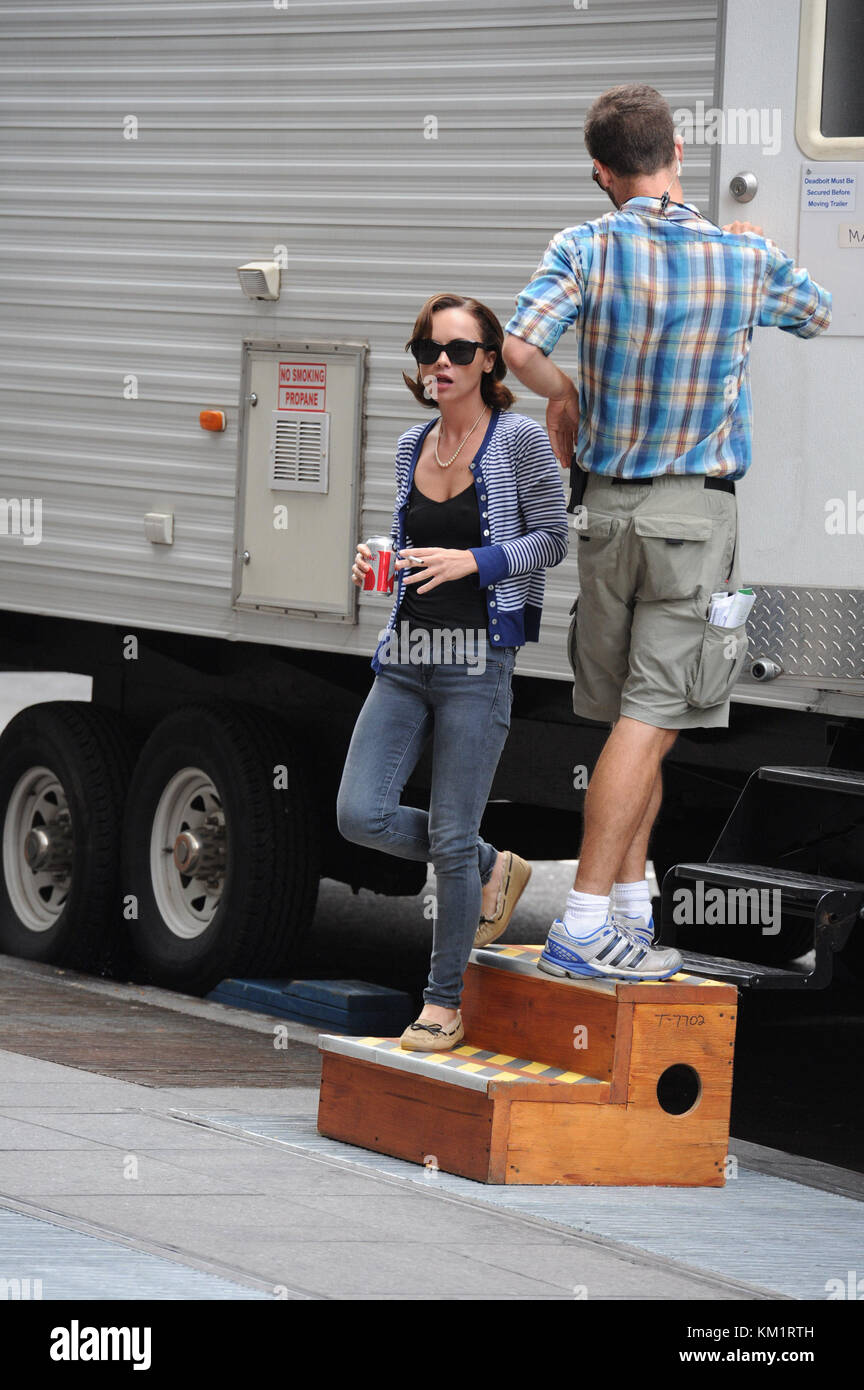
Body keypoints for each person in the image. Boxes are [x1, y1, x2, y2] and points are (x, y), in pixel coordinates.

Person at [501, 83, 832, 983]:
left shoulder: (584, 245)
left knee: (625, 719)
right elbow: (820, 312)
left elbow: (518, 347)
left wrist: (563, 394)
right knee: (654, 719)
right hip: (694, 516)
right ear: (679, 154)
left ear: (603, 172)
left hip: (605, 510)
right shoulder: (741, 255)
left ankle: (631, 913)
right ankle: (580, 923)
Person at [337, 292, 568, 1049]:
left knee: (446, 830)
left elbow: (552, 540)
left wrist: (477, 560)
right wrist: (381, 558)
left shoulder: (519, 441)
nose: (441, 363)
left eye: (459, 350)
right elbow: (411, 546)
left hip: (477, 662)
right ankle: (491, 865)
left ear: (490, 360)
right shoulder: (412, 445)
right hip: (406, 656)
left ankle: (442, 1004)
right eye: (428, 350)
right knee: (358, 815)